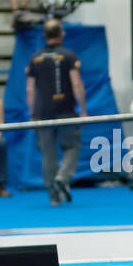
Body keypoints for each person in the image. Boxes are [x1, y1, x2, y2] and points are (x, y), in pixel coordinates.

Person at [25, 18, 87, 205]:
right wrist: (83, 110)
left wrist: (32, 113)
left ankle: (53, 194)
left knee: (48, 154)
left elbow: (30, 89)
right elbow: (76, 83)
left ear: (45, 35)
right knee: (73, 147)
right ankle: (62, 177)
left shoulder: (35, 59)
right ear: (61, 34)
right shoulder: (69, 56)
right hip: (66, 110)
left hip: (44, 113)